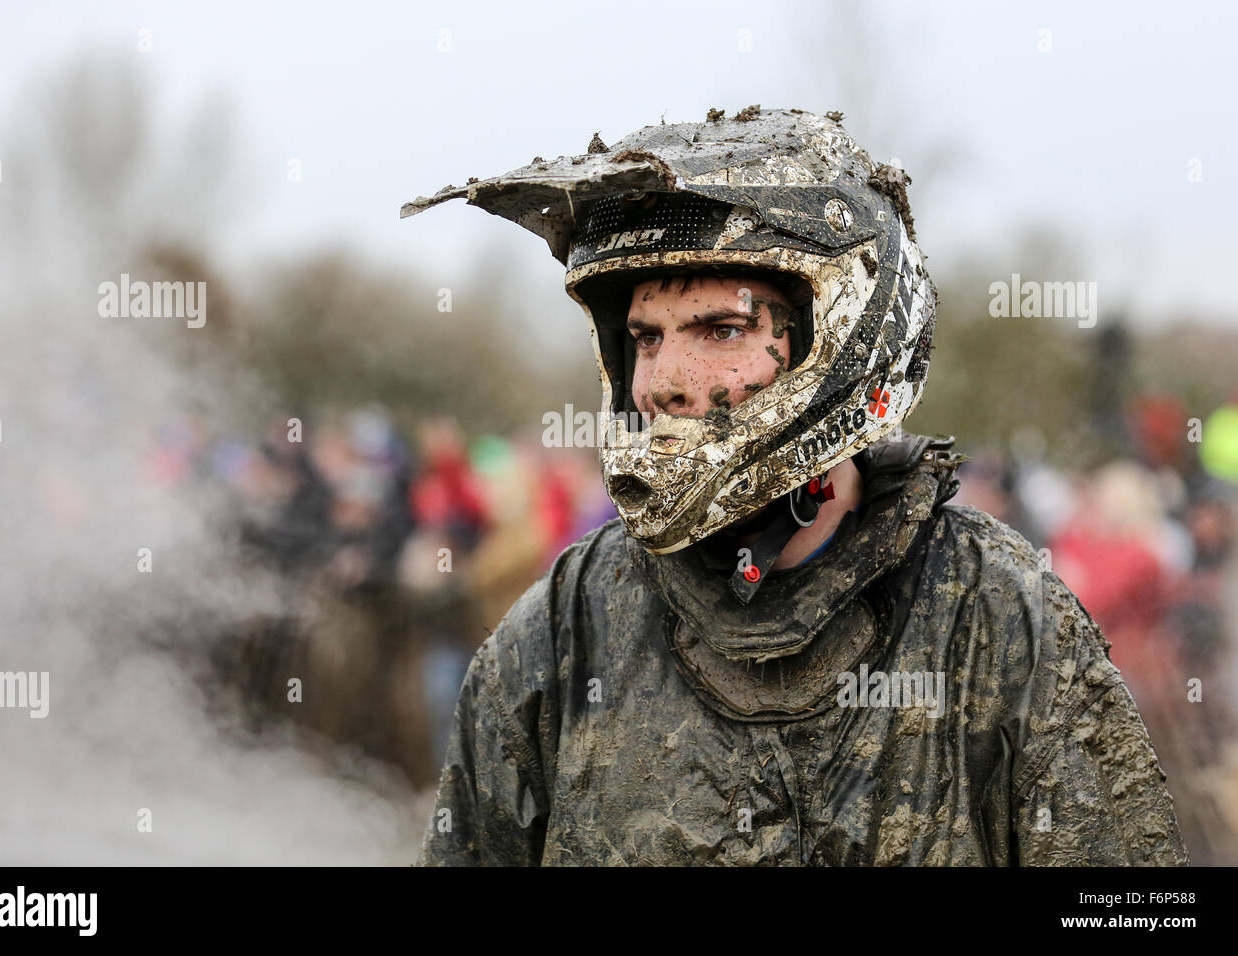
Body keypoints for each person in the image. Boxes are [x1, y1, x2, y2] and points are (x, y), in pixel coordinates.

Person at [400, 107, 1188, 865]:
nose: (665, 381)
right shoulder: (565, 630)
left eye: (723, 330)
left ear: (836, 339)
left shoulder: (995, 614)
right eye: (646, 337)